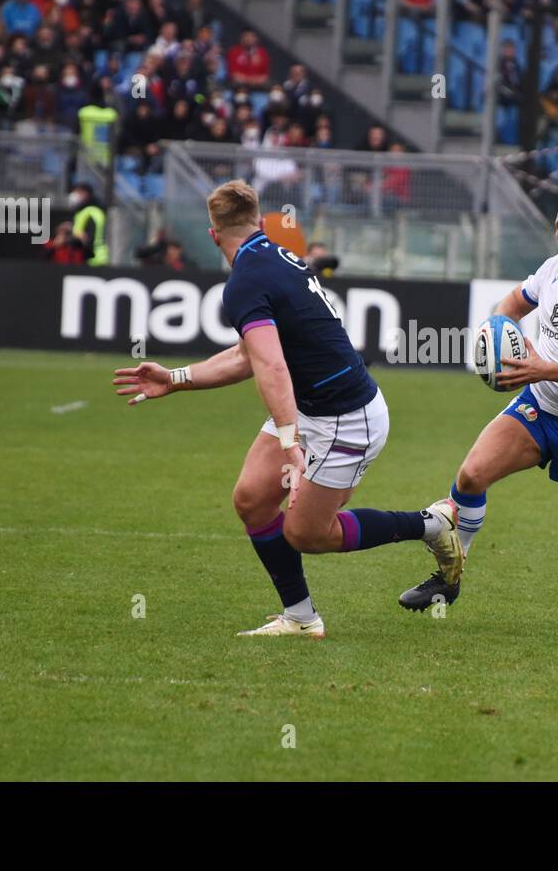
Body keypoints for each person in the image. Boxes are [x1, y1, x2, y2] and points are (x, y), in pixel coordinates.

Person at [111, 180, 464, 638]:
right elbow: (248, 357)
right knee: (253, 500)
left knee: (307, 533)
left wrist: (289, 440)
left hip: (346, 419)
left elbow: (271, 366)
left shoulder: (245, 280)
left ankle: (429, 525)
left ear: (213, 235)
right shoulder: (276, 257)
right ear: (259, 222)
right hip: (319, 409)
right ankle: (300, 617)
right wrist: (176, 379)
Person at [398, 186, 558, 614]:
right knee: (471, 476)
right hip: (539, 405)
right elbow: (509, 305)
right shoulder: (552, 270)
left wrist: (542, 367)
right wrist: (503, 336)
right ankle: (450, 577)